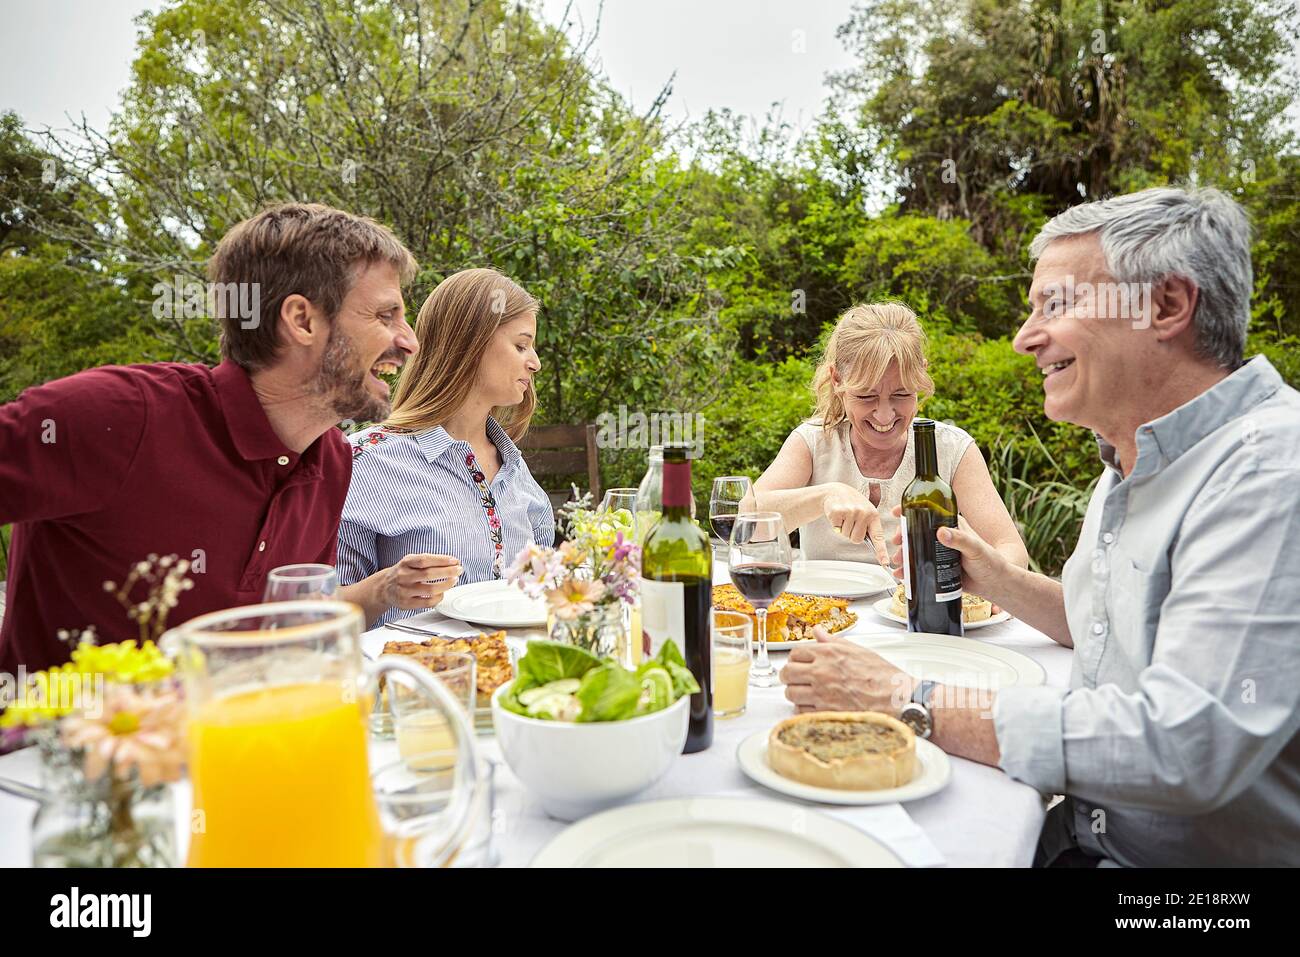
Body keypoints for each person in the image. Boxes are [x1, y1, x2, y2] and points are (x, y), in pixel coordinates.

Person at [780, 187, 1300, 866]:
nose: (1026, 337)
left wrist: (901, 696)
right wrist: (998, 578)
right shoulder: (1131, 463)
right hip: (1079, 834)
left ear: (1167, 305)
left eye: (1054, 306)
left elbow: (1184, 743)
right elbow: (1102, 620)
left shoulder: (1268, 468)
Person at [0, 202, 457, 675]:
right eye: (386, 315)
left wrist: (383, 589)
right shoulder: (118, 414)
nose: (410, 341)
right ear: (301, 320)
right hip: (58, 743)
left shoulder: (332, 460)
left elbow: (295, 621)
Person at [338, 268, 554, 626]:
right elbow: (317, 613)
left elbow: (541, 592)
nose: (535, 362)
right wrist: (386, 588)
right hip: (412, 675)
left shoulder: (515, 470)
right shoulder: (364, 462)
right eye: (520, 345)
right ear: (471, 343)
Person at [753, 302, 1027, 573]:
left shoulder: (952, 448)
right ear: (837, 380)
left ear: (921, 374)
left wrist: (978, 569)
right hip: (821, 612)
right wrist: (825, 496)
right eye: (866, 396)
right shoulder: (814, 442)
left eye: (901, 394)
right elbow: (745, 521)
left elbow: (1011, 550)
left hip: (922, 612)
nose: (884, 416)